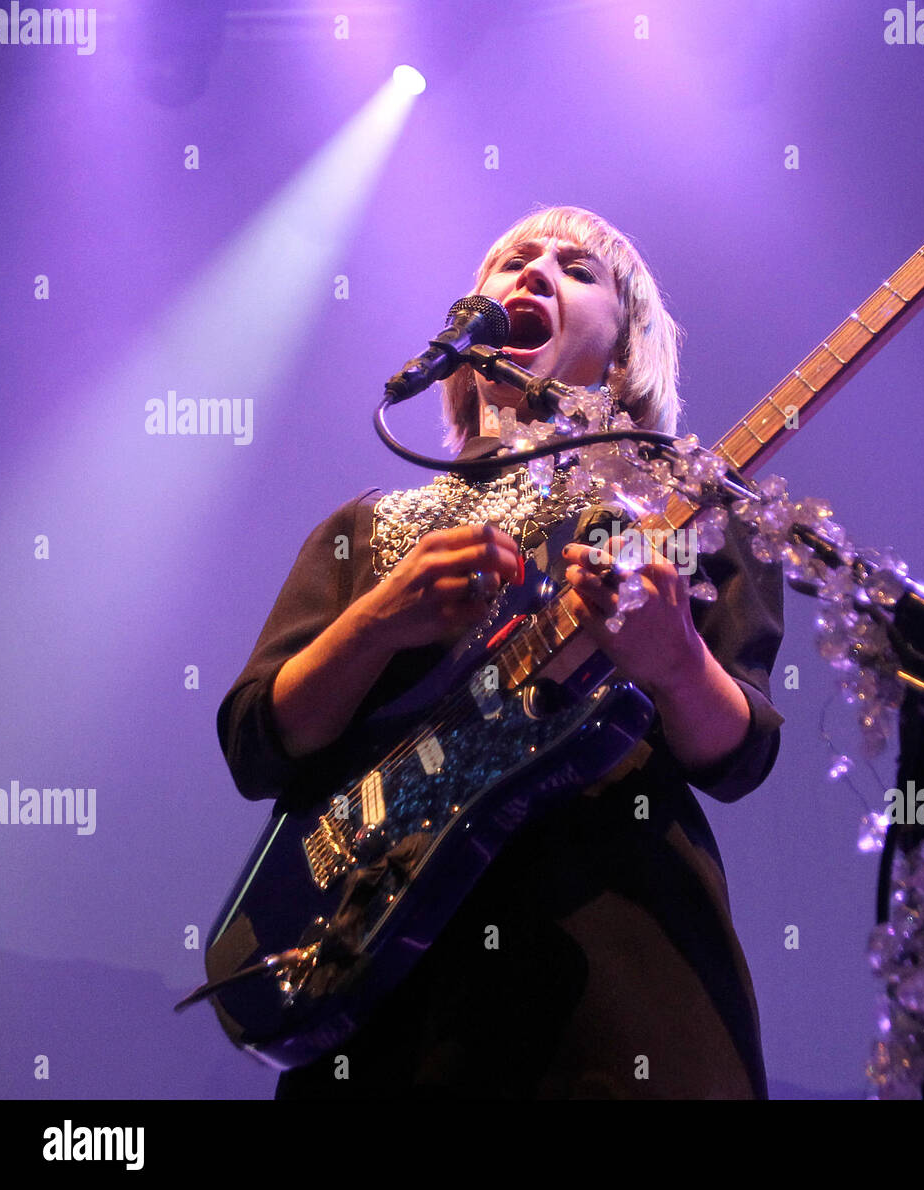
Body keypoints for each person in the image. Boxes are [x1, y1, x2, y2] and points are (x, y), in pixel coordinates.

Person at [216, 205, 785, 1098]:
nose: (535, 273)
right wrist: (378, 620)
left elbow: (740, 751)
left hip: (615, 968)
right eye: (513, 260)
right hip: (379, 996)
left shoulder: (689, 500)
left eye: (578, 269)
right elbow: (259, 741)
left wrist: (673, 660)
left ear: (628, 347)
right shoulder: (367, 529)